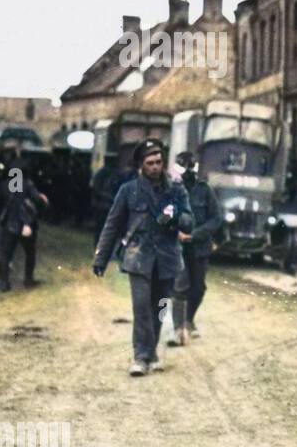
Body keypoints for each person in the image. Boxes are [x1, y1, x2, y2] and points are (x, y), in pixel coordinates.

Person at [93, 139, 193, 376]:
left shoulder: (176, 190)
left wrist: (176, 215)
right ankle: (141, 356)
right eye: (150, 163)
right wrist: (101, 258)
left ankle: (152, 351)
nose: (156, 167)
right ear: (141, 165)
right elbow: (112, 225)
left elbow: (189, 222)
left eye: (159, 162)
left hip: (167, 258)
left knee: (159, 306)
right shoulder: (128, 191)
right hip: (138, 257)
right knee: (141, 307)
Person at [166, 151, 222, 343]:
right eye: (183, 167)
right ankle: (177, 329)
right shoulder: (169, 190)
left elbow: (216, 218)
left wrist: (196, 234)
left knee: (198, 288)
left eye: (190, 167)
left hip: (199, 247)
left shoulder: (204, 190)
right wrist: (176, 233)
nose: (187, 172)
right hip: (178, 247)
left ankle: (188, 320)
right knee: (180, 287)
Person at [0, 154, 48, 289]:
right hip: (27, 225)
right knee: (30, 253)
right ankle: (28, 280)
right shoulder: (28, 184)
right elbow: (38, 202)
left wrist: (3, 218)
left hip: (9, 225)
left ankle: (4, 282)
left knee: (5, 254)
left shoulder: (4, 185)